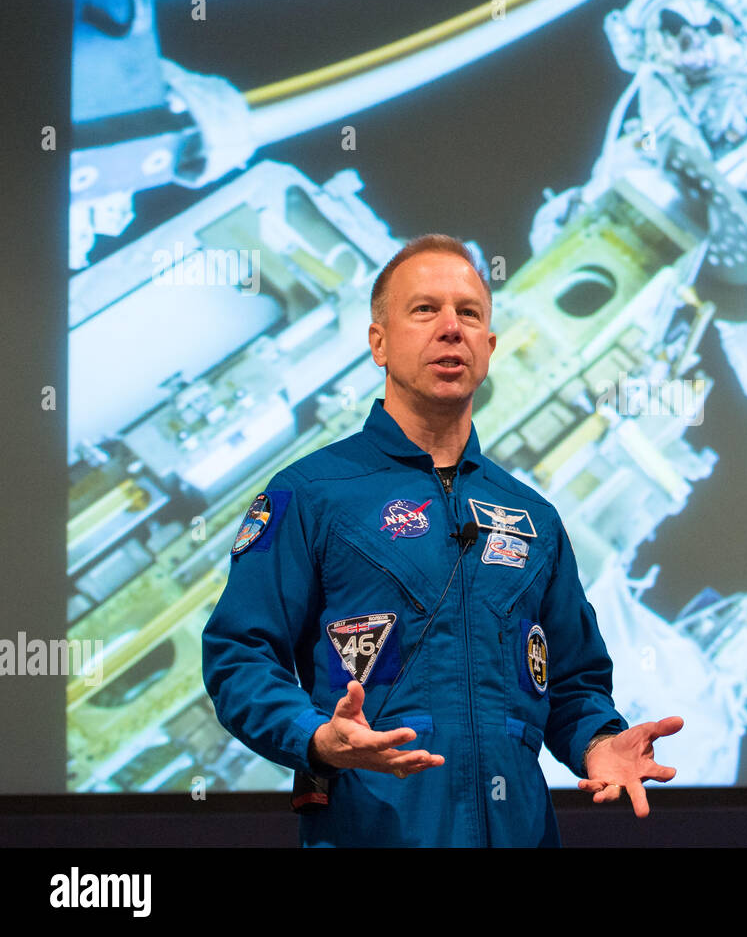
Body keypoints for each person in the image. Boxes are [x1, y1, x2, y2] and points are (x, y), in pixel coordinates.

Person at [202, 233, 682, 846]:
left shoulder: (533, 517)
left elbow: (571, 680)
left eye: (470, 313)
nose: (451, 328)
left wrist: (598, 741)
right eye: (424, 309)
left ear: (489, 346)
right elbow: (239, 654)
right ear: (378, 341)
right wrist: (316, 737)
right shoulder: (310, 493)